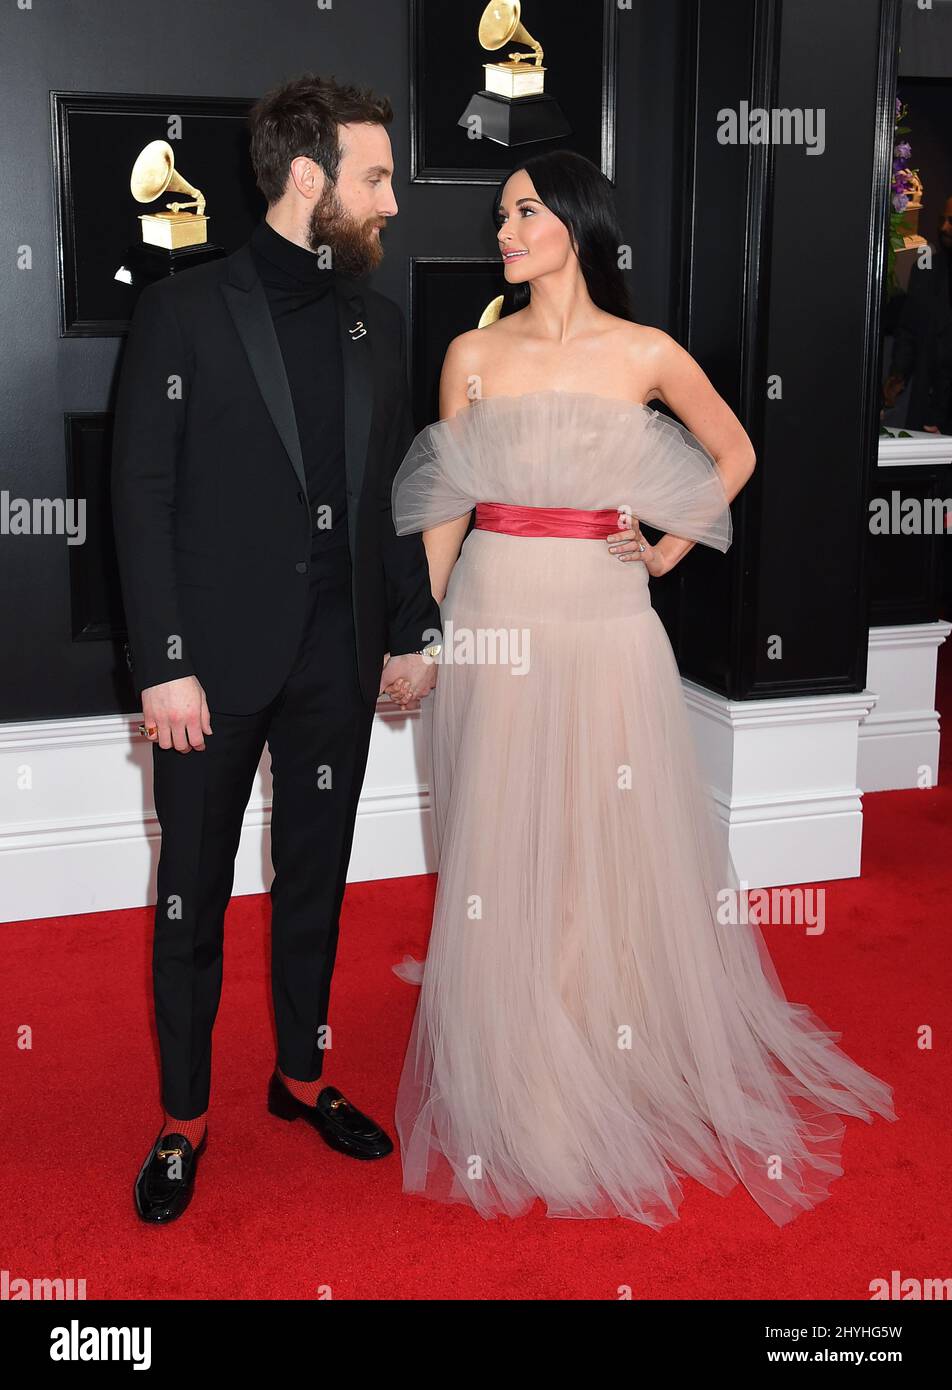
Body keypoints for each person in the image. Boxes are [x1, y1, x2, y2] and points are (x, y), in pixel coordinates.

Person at [387, 150, 897, 1227]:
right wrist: (422, 634)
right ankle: (517, 1060)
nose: (504, 227)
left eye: (523, 210)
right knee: (502, 831)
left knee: (589, 837)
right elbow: (442, 501)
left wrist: (664, 552)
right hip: (493, 610)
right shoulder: (471, 352)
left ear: (575, 222)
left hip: (604, 620)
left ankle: (590, 1053)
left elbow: (733, 450)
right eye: (499, 214)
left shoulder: (646, 352)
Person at [112, 73, 441, 1224]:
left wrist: (415, 626)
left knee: (315, 881)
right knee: (189, 899)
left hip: (333, 660)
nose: (391, 201)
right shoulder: (185, 310)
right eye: (374, 178)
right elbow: (140, 494)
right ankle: (185, 1116)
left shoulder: (377, 322)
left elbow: (392, 493)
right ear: (309, 179)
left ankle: (300, 1076)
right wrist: (161, 662)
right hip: (205, 667)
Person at [883, 194, 952, 433]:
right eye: (942, 219)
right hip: (922, 408)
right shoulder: (926, 270)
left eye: (951, 221)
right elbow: (908, 332)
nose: (944, 227)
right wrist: (895, 379)